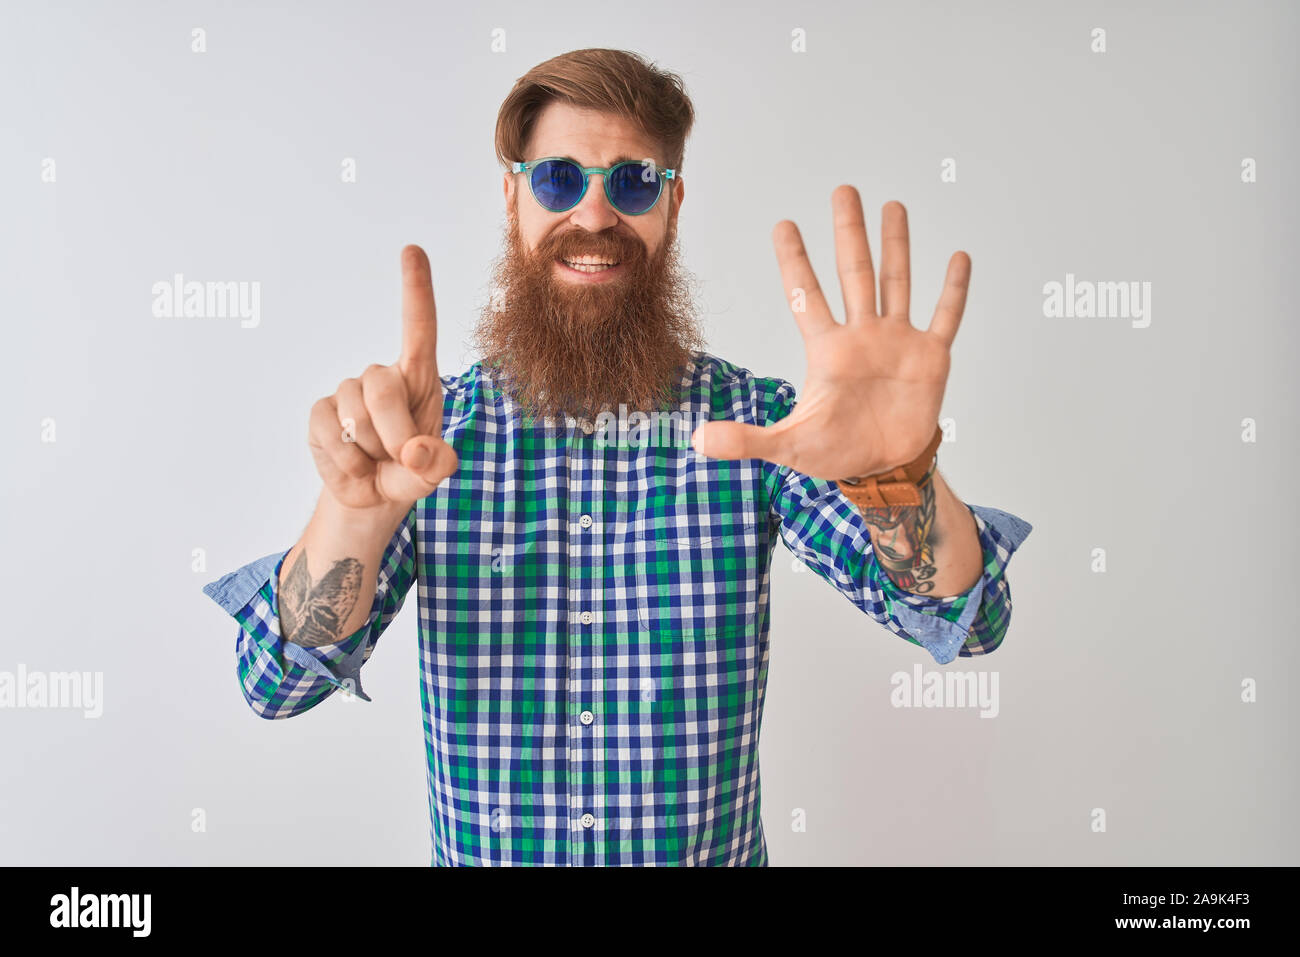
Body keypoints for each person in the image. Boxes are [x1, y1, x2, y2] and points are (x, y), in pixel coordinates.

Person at [203, 47, 1033, 866]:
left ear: (672, 205)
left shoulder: (766, 427)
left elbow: (961, 620)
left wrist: (898, 476)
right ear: (512, 197)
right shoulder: (425, 442)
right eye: (559, 179)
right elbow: (278, 685)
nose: (595, 216)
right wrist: (352, 516)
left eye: (634, 181)